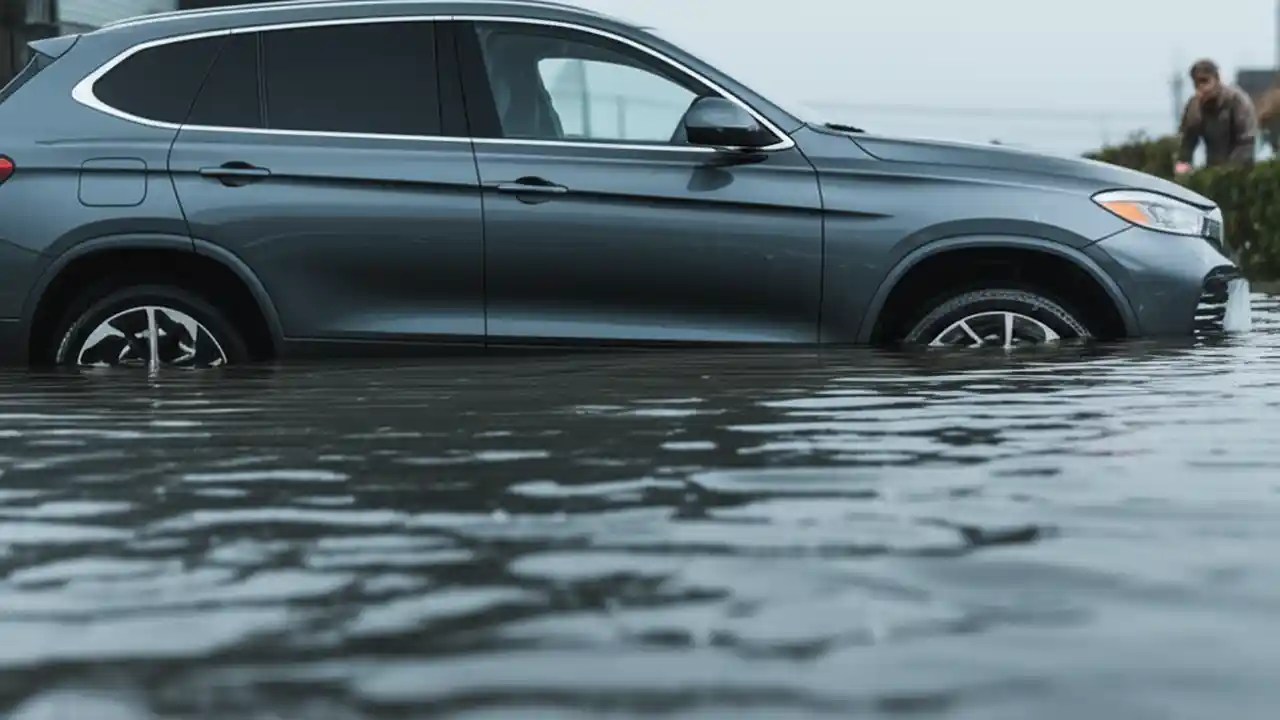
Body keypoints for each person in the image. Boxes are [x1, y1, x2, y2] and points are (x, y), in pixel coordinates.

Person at [1176, 59, 1259, 176]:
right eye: (1196, 83)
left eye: (1205, 81)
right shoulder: (1194, 105)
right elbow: (1186, 144)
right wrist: (1183, 169)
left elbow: (1246, 142)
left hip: (1241, 172)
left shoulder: (1237, 101)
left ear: (1217, 79)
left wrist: (1228, 171)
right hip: (1211, 170)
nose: (1201, 87)